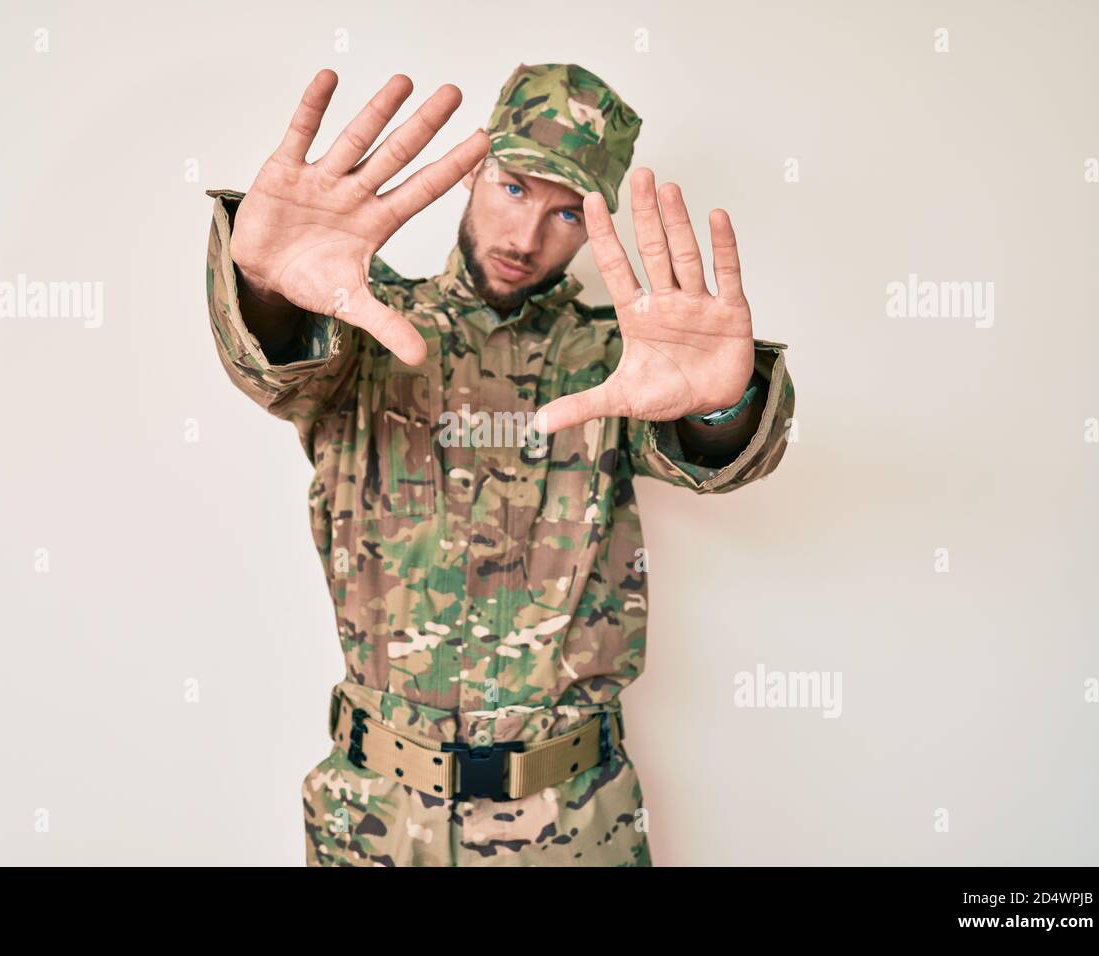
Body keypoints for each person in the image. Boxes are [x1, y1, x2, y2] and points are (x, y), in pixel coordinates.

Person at [204, 62, 796, 866]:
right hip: (374, 820)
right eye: (515, 188)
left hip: (573, 826)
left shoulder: (616, 364)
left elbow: (710, 453)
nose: (526, 239)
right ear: (473, 173)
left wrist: (720, 407)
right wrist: (268, 286)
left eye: (567, 215)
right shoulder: (367, 327)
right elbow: (280, 358)